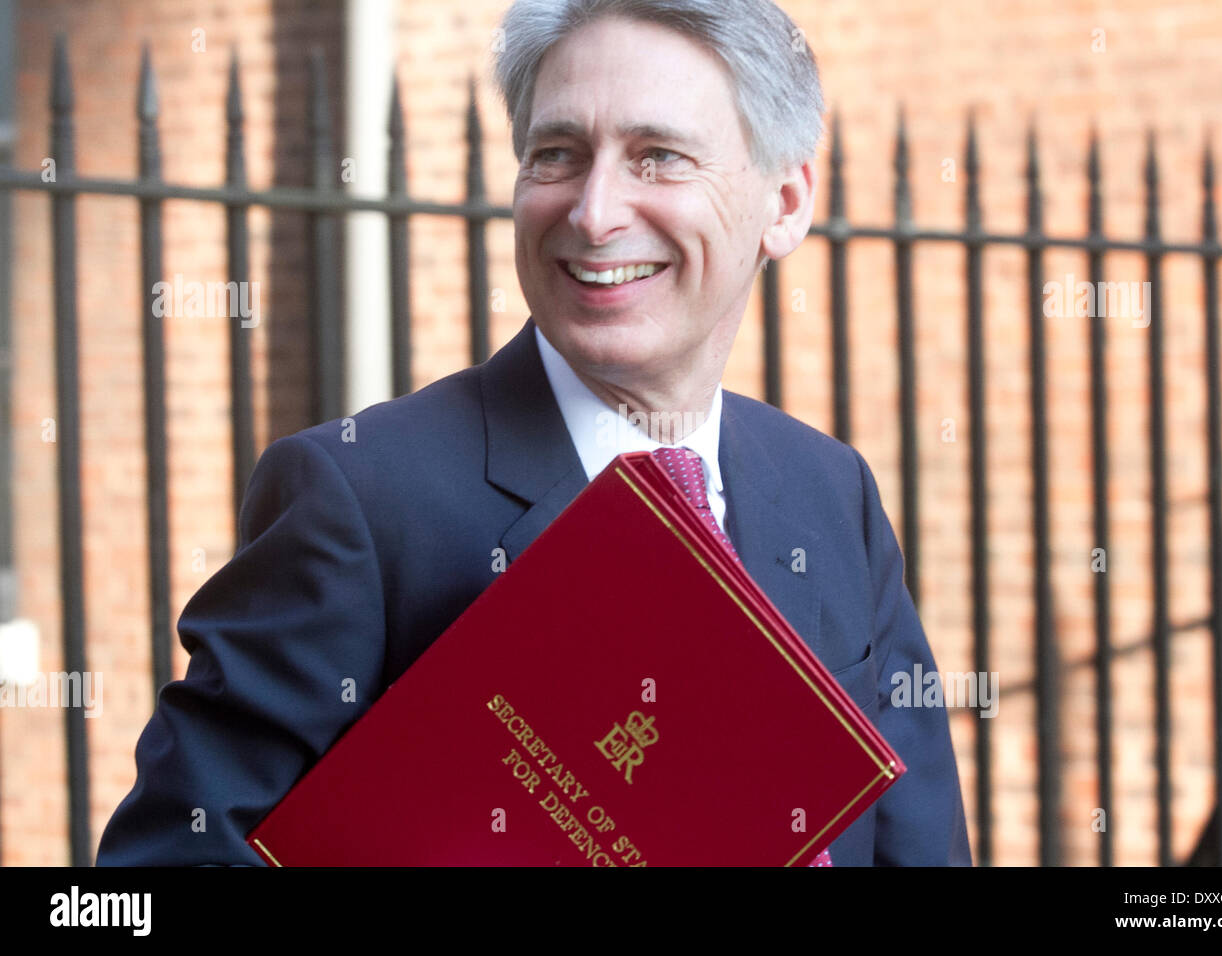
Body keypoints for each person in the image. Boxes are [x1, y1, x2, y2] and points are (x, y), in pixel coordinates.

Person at [97, 0, 971, 867]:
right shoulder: (361, 498)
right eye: (556, 154)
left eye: (658, 158)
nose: (593, 213)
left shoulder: (830, 492)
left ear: (784, 203)